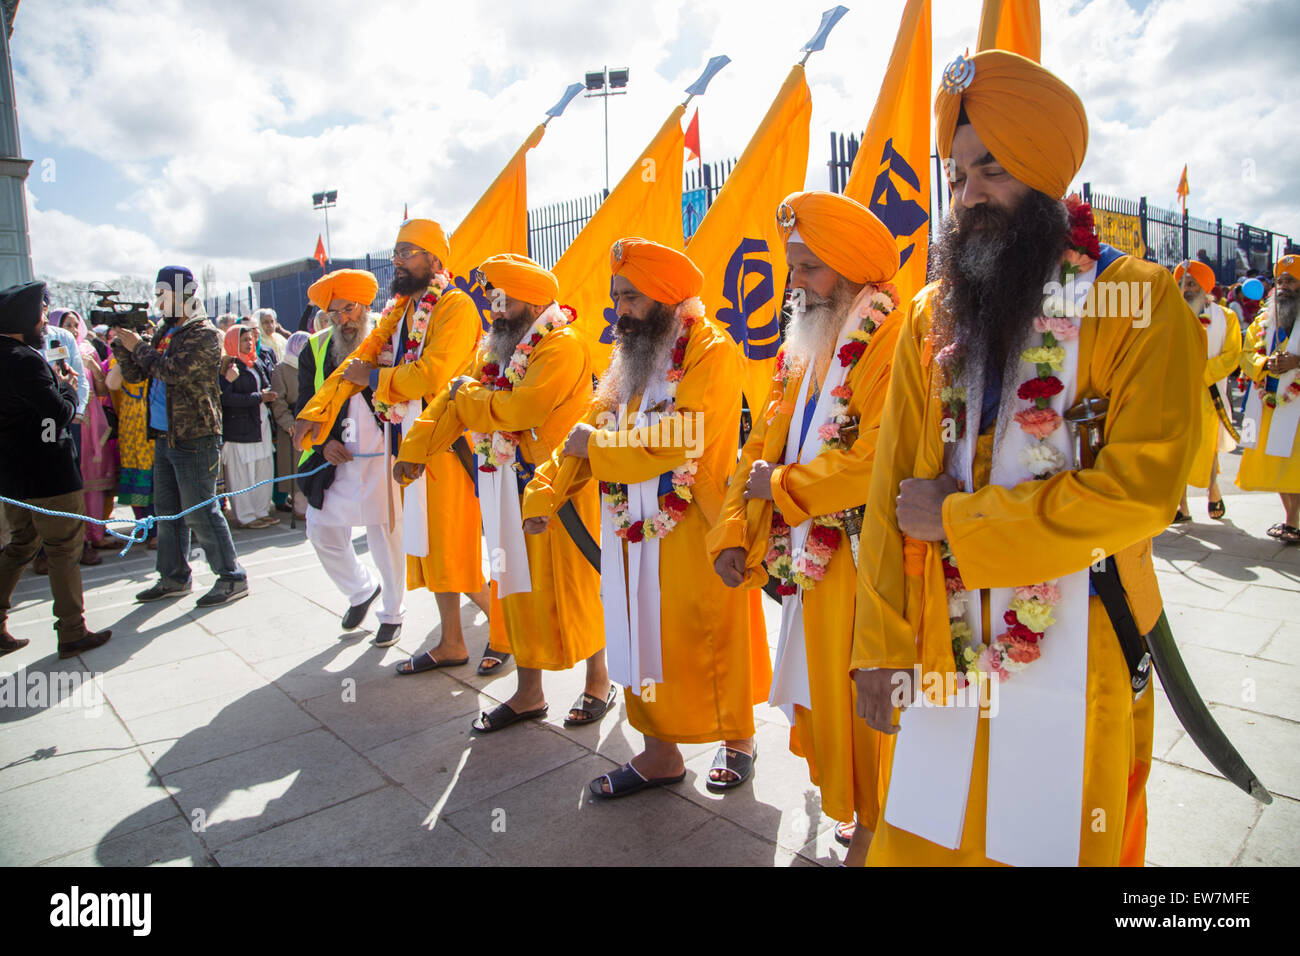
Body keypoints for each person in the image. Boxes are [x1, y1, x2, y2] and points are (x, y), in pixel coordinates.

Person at [850, 50, 1201, 867]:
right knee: (931, 836)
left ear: (1046, 179)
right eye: (957, 173)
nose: (967, 195)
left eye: (993, 170)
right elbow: (887, 487)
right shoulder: (930, 317)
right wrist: (878, 645)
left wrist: (960, 521)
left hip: (1083, 641)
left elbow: (1141, 494)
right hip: (940, 640)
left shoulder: (1139, 303)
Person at [523, 238, 772, 798]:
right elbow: (588, 427)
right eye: (616, 297)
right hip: (629, 526)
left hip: (697, 521)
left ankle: (739, 741)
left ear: (663, 297)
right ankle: (659, 754)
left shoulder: (711, 348)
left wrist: (600, 452)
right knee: (639, 630)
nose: (621, 310)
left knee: (710, 633)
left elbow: (685, 436)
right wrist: (547, 492)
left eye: (631, 297)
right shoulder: (627, 355)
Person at [708, 191, 901, 865]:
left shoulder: (892, 337)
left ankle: (878, 830)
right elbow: (763, 440)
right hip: (812, 558)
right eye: (793, 267)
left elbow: (875, 461)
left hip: (871, 560)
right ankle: (862, 814)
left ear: (850, 274)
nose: (794, 284)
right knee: (827, 697)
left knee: (867, 697)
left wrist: (785, 490)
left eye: (809, 269)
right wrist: (736, 528)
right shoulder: (804, 343)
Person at [398, 254, 610, 726]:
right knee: (514, 588)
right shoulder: (494, 348)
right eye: (493, 296)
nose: (495, 307)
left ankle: (599, 680)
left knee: (575, 588)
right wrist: (415, 451)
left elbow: (519, 410)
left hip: (557, 489)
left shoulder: (564, 345)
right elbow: (448, 402)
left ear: (534, 304)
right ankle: (529, 693)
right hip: (502, 487)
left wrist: (468, 397)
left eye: (504, 299)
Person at [295, 220, 489, 662]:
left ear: (435, 260)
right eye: (396, 252)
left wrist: (376, 378)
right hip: (409, 443)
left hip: (446, 442)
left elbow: (434, 375)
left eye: (407, 252)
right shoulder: (401, 310)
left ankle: (508, 631)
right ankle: (453, 643)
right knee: (425, 547)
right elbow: (354, 367)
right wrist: (315, 416)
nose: (397, 260)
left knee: (451, 547)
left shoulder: (455, 307)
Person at [111, 265, 249, 607]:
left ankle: (232, 576)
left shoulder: (203, 333)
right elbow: (136, 373)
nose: (157, 303)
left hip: (196, 434)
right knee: (168, 511)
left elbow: (173, 372)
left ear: (182, 295)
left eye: (163, 295)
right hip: (164, 434)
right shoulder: (165, 332)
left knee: (200, 510)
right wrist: (122, 344)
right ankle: (173, 576)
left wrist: (140, 348)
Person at [0, 281, 112, 658]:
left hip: (12, 477)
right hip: (48, 473)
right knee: (65, 548)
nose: (45, 322)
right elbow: (58, 414)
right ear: (23, 318)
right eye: (41, 314)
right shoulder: (24, 360)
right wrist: (66, 387)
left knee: (20, 545)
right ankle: (72, 631)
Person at [297, 269, 405, 644]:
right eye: (334, 313)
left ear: (366, 307)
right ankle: (361, 590)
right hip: (338, 457)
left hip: (384, 454)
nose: (343, 320)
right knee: (320, 527)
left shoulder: (392, 336)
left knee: (384, 533)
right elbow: (305, 404)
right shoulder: (315, 348)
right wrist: (322, 442)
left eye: (349, 310)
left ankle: (392, 611)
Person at [1237, 254, 1300, 543]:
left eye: (1291, 280)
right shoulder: (1263, 319)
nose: (1284, 286)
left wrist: (1297, 361)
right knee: (1279, 463)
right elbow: (1247, 356)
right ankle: (1291, 521)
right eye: (1280, 281)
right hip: (1273, 403)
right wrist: (1266, 364)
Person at [1173, 260, 1241, 522]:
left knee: (1207, 447)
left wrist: (1201, 372)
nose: (1186, 288)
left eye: (1191, 283)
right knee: (1177, 448)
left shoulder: (1226, 318)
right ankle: (1181, 506)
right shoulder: (1170, 312)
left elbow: (1232, 354)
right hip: (1177, 391)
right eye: (1182, 283)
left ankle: (1213, 490)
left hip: (1209, 391)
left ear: (1204, 287)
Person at [53, 309, 117, 563]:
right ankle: (78, 540)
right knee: (73, 479)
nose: (71, 329)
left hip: (93, 421)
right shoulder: (55, 351)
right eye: (65, 324)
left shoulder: (89, 349)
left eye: (74, 324)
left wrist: (93, 367)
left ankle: (96, 532)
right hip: (68, 419)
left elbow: (102, 389)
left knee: (95, 479)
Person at [219, 325, 278, 529]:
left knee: (263, 467)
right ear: (233, 342)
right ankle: (245, 516)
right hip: (239, 428)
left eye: (250, 339)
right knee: (241, 474)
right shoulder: (228, 366)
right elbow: (225, 398)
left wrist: (265, 394)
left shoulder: (255, 363)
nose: (249, 343)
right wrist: (259, 397)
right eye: (243, 339)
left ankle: (261, 510)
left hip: (259, 423)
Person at [270, 331, 309, 520]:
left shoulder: (312, 366)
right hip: (293, 425)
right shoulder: (282, 369)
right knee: (296, 468)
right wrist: (288, 423)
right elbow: (278, 401)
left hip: (312, 422)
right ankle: (299, 506)